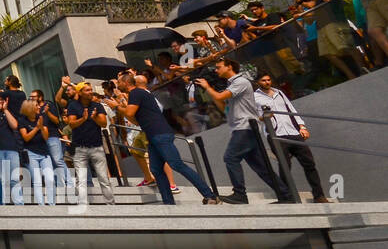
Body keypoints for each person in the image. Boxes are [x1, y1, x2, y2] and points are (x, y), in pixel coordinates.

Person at [110, 72, 217, 205]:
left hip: (159, 134)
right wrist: (120, 106)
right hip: (153, 135)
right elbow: (135, 120)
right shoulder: (138, 94)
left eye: (119, 82)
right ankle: (168, 202)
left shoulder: (136, 93)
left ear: (126, 83)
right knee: (156, 169)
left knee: (177, 164)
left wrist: (116, 106)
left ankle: (210, 195)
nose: (117, 85)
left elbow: (130, 113)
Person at [196, 59, 293, 204]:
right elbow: (224, 108)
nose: (216, 70)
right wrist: (211, 92)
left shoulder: (240, 82)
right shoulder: (231, 85)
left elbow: (220, 96)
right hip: (244, 128)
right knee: (261, 167)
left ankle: (240, 194)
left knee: (230, 158)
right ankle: (286, 196)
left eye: (218, 67)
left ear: (229, 67)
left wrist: (208, 87)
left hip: (245, 128)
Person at [254, 72, 329, 203]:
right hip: (276, 134)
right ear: (257, 82)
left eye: (268, 79)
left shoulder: (279, 93)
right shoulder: (254, 97)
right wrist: (265, 118)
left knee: (309, 164)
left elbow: (291, 109)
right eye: (263, 80)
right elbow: (255, 116)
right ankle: (288, 197)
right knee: (284, 166)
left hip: (294, 132)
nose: (267, 82)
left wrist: (302, 126)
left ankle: (319, 195)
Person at [65, 82, 115, 205]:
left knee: (104, 178)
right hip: (79, 148)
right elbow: (71, 124)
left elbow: (103, 123)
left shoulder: (98, 105)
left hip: (97, 147)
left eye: (91, 89)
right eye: (87, 90)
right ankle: (82, 205)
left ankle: (111, 205)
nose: (90, 92)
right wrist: (83, 118)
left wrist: (94, 118)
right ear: (80, 92)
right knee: (81, 180)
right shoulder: (73, 106)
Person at [16, 100, 53, 205]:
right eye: (36, 106)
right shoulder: (22, 120)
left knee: (50, 179)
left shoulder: (41, 118)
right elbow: (26, 138)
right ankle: (41, 205)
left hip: (44, 153)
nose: (39, 107)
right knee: (37, 181)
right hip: (30, 153)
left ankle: (52, 205)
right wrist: (37, 127)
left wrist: (41, 127)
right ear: (30, 108)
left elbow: (46, 137)